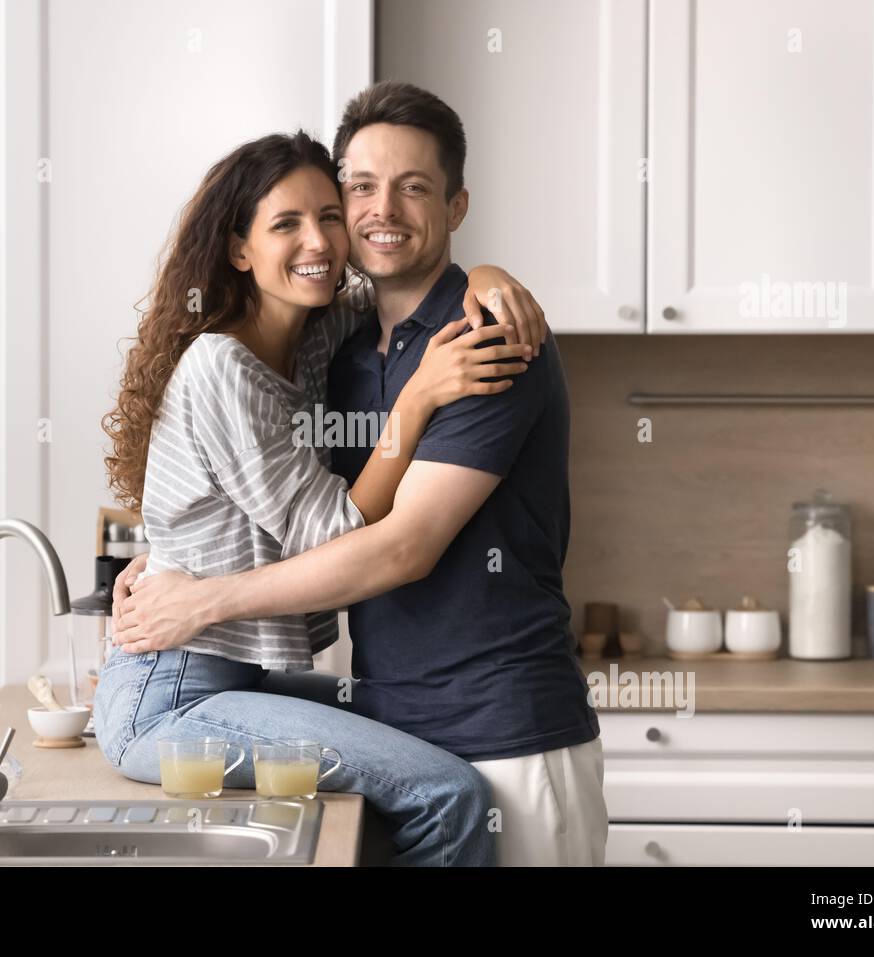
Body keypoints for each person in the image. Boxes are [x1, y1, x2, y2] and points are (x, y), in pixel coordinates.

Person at [114, 82, 608, 867]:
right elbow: (303, 512)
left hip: (506, 729)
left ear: (456, 205)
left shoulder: (484, 341)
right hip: (393, 717)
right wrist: (176, 559)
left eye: (415, 187)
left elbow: (398, 548)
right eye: (362, 188)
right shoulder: (343, 350)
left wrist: (487, 274)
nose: (382, 209)